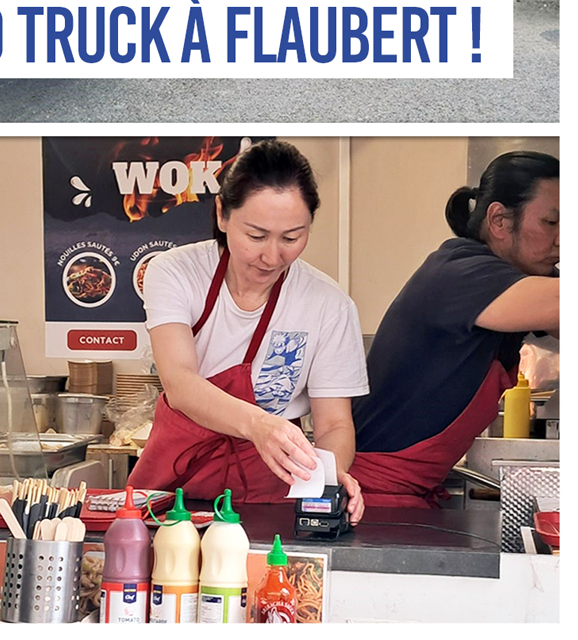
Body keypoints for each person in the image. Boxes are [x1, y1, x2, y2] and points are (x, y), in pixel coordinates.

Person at [128, 140, 368, 523]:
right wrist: (259, 425)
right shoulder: (175, 272)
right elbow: (180, 382)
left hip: (268, 500)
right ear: (222, 214)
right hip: (172, 492)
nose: (272, 257)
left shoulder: (329, 305)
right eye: (256, 236)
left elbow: (334, 423)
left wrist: (328, 476)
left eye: (292, 238)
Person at [352, 153, 559, 508]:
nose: (562, 240)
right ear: (498, 220)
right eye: (552, 222)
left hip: (407, 491)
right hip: (371, 495)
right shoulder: (460, 273)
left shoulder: (516, 282)